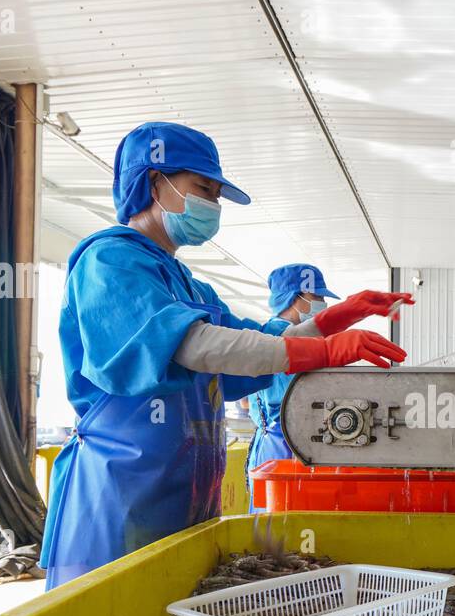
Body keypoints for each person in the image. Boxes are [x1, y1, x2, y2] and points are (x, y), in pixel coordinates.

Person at [39, 122, 410, 589]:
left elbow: (254, 342)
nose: (212, 205)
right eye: (202, 188)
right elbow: (197, 345)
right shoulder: (110, 262)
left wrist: (338, 319)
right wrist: (323, 350)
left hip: (185, 494)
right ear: (155, 182)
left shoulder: (192, 285)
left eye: (215, 194)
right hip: (121, 494)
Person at [244, 263, 412, 511]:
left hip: (283, 448)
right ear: (294, 299)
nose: (322, 302)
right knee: (283, 530)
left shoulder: (281, 335)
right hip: (284, 450)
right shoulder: (274, 339)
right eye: (316, 297)